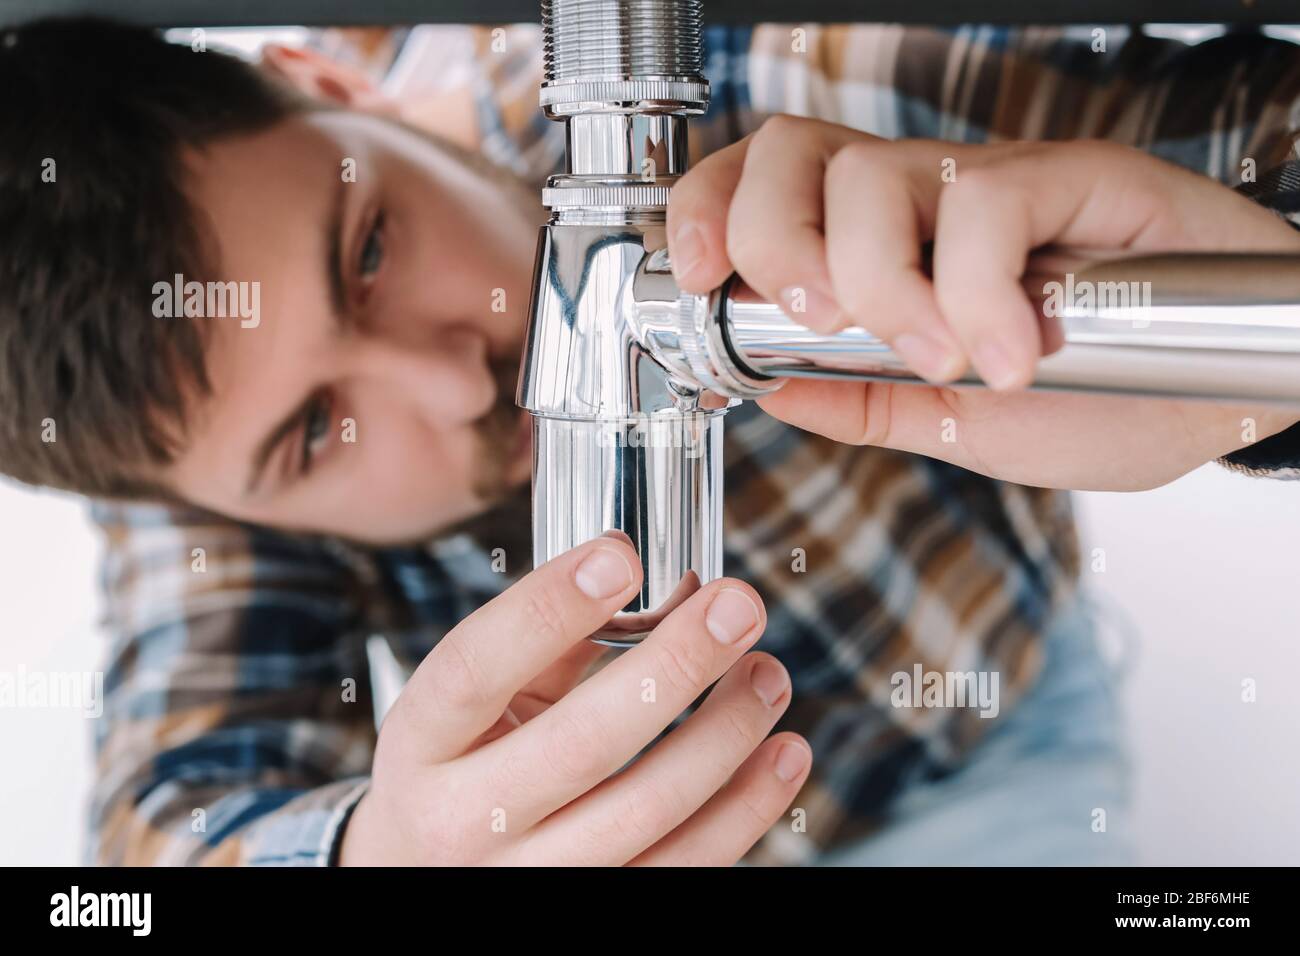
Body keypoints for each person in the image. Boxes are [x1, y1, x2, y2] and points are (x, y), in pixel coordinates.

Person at [2, 17, 1298, 866]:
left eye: (372, 250)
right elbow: (147, 848)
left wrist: (1276, 325)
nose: (456, 385)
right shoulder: (196, 468)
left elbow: (1262, 129)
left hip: (994, 733)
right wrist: (370, 855)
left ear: (337, 88)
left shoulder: (776, 82)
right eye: (315, 436)